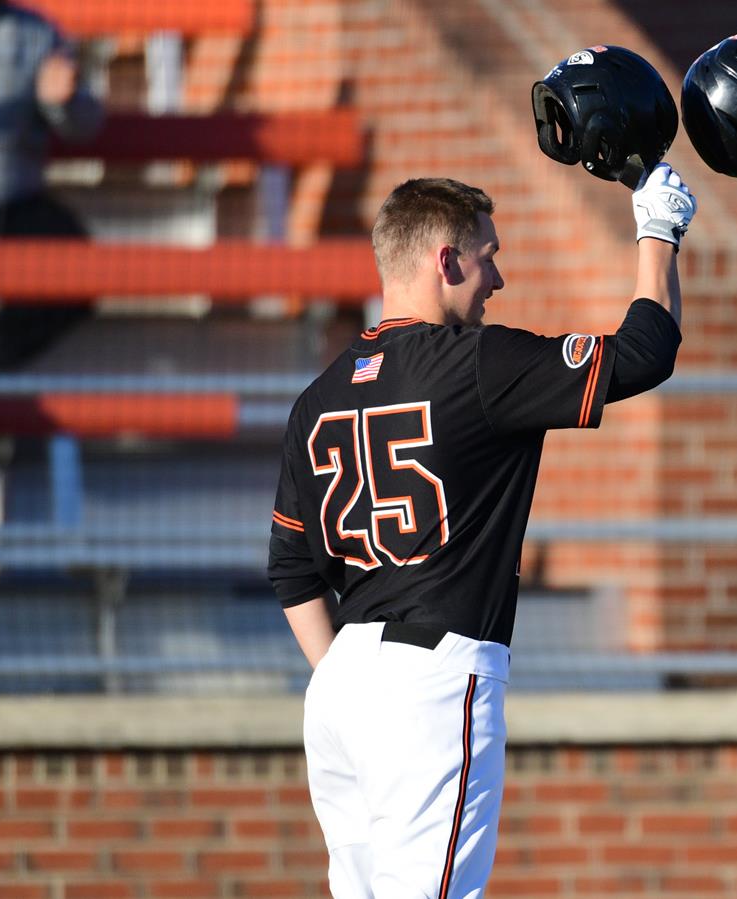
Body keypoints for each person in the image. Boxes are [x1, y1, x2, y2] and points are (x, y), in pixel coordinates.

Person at [267, 164, 696, 898]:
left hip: (340, 683)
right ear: (446, 260)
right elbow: (644, 351)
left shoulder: (317, 396)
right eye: (487, 255)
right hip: (431, 677)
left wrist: (349, 679)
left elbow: (291, 570)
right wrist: (659, 230)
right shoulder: (477, 362)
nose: (497, 278)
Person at [0, 0, 103, 370]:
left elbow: (86, 125)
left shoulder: (38, 33)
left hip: (13, 205)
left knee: (81, 268)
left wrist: (63, 101)